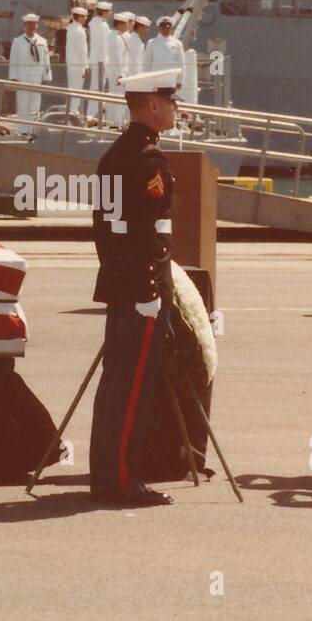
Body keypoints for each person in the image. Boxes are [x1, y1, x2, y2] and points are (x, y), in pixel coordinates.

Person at [89, 67, 184, 506]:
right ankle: (124, 481)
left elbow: (106, 230)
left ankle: (107, 475)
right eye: (171, 101)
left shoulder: (114, 155)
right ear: (152, 105)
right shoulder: (148, 160)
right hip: (142, 289)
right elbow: (149, 232)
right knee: (131, 389)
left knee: (115, 385)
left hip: (118, 282)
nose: (176, 109)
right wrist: (148, 288)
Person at [8, 13, 52, 136]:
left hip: (36, 77)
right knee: (23, 103)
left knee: (35, 104)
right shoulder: (18, 42)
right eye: (28, 24)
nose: (31, 26)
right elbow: (13, 60)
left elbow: (46, 61)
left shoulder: (42, 41)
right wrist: (13, 77)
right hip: (22, 77)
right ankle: (23, 130)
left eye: (33, 24)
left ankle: (33, 129)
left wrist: (46, 77)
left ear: (37, 25)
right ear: (24, 25)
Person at [103, 10, 128, 127]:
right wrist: (120, 74)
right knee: (117, 97)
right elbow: (116, 57)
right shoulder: (115, 37)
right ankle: (115, 121)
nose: (127, 26)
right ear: (120, 24)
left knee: (115, 96)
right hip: (116, 73)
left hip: (113, 71)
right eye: (125, 24)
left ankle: (113, 120)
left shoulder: (113, 35)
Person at [87, 0, 112, 118]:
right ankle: (92, 114)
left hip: (96, 59)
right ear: (104, 12)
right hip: (100, 61)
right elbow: (102, 45)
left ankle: (93, 113)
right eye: (109, 11)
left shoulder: (95, 23)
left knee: (96, 87)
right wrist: (103, 62)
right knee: (97, 87)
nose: (110, 13)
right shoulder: (102, 25)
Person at [65, 6, 89, 117]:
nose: (85, 19)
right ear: (78, 17)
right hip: (78, 65)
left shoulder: (70, 28)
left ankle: (71, 109)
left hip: (72, 64)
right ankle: (73, 111)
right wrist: (85, 66)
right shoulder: (79, 30)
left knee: (72, 87)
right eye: (84, 16)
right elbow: (82, 50)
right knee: (77, 88)